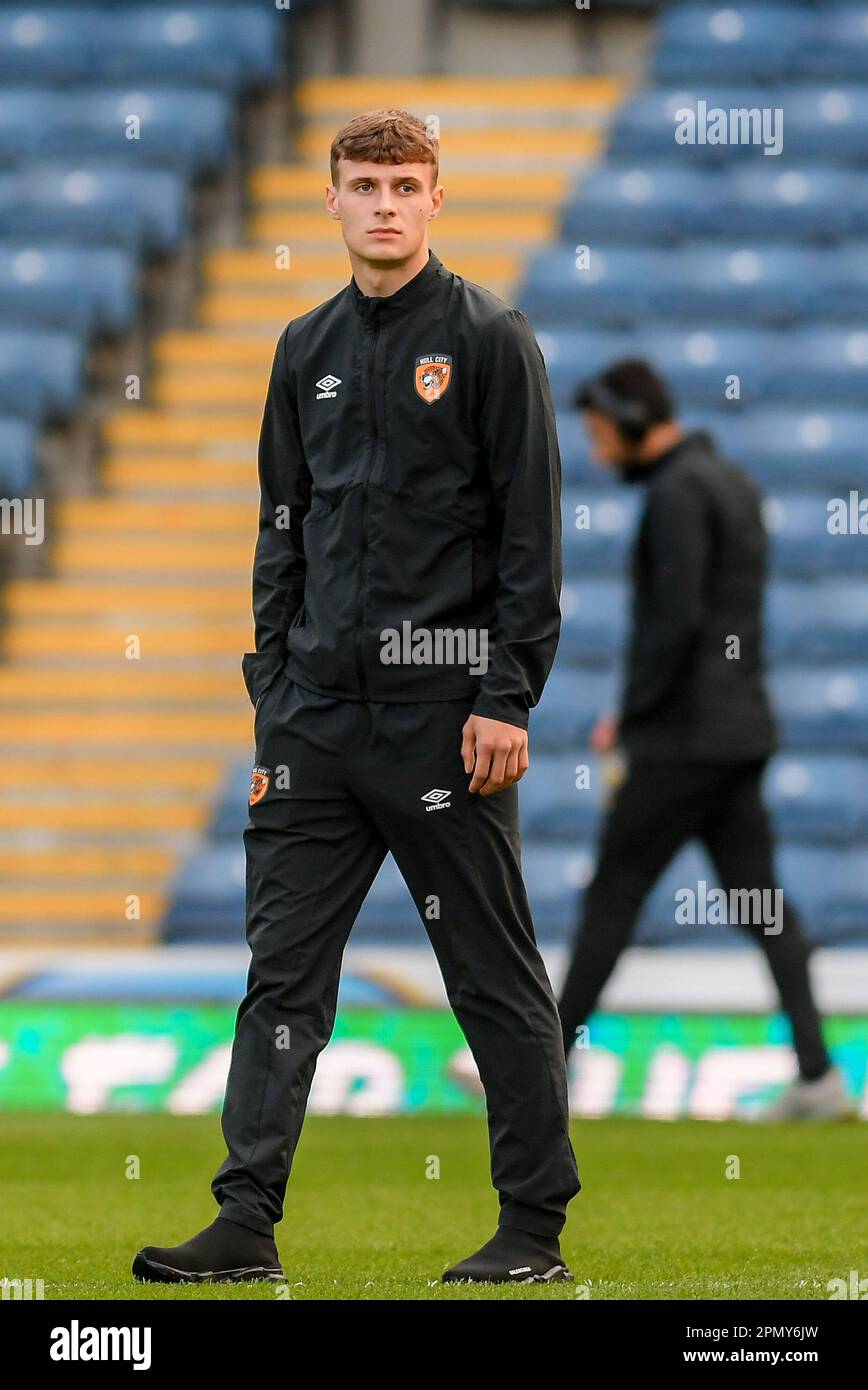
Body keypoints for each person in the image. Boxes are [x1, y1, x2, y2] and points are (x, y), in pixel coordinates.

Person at [132, 108, 579, 1287]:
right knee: (282, 979)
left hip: (448, 720)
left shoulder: (490, 339)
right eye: (363, 184)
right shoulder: (301, 347)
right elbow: (282, 528)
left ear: (437, 200)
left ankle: (531, 1227)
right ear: (329, 202)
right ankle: (243, 1223)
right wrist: (271, 683)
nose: (384, 204)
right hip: (314, 723)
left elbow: (530, 540)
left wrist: (507, 696)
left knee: (491, 975)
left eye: (404, 184)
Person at [557, 358, 853, 1123]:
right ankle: (819, 1077)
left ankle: (537, 1066)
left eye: (597, 435)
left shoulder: (677, 492)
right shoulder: (731, 480)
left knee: (612, 896)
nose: (596, 454)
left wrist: (628, 714)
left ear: (629, 419)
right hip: (738, 731)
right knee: (763, 904)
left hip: (683, 739)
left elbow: (675, 623)